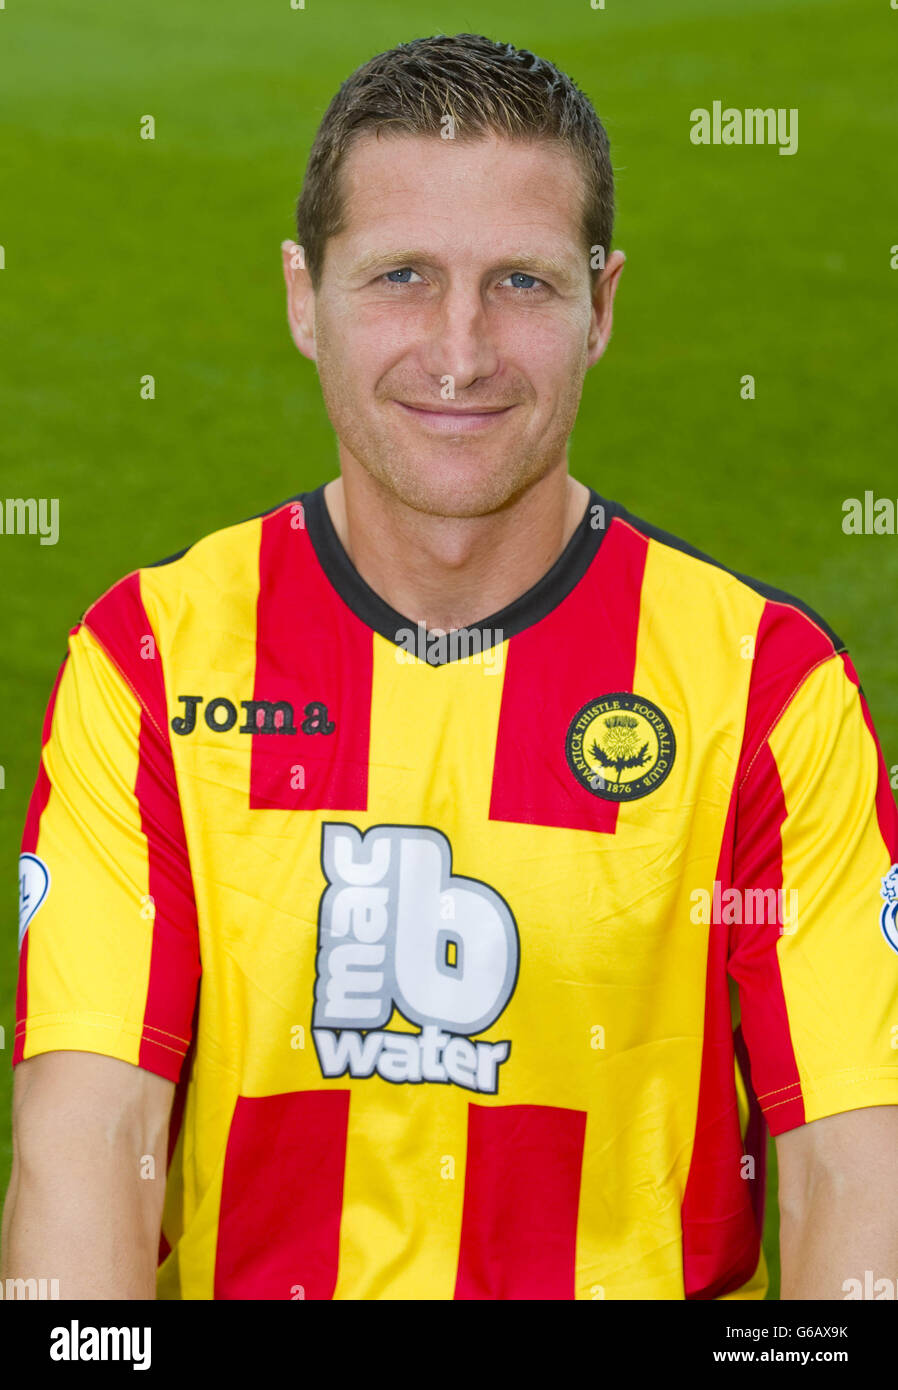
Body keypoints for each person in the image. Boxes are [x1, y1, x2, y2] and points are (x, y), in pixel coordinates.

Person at [3, 32, 898, 1302]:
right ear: (304, 297)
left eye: (523, 283)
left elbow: (849, 1171)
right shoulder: (149, 662)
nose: (461, 351)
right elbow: (89, 1147)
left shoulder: (765, 689)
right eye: (402, 276)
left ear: (604, 304)